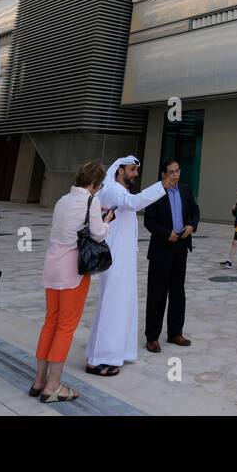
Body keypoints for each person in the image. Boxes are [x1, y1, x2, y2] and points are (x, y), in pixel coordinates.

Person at [31, 160, 112, 403]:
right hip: (73, 271)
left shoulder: (62, 200)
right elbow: (97, 233)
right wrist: (107, 221)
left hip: (52, 266)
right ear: (95, 183)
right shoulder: (91, 201)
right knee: (66, 327)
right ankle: (53, 385)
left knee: (50, 323)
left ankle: (39, 380)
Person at [85, 155, 166, 375]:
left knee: (123, 306)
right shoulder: (113, 190)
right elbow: (134, 203)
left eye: (136, 171)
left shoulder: (120, 191)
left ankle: (118, 352)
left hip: (124, 258)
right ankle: (98, 359)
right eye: (132, 170)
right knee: (112, 306)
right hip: (114, 258)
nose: (135, 174)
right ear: (120, 170)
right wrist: (162, 186)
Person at [142, 159, 199, 352]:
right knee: (157, 293)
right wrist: (166, 233)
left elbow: (194, 210)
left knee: (177, 292)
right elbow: (148, 221)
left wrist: (192, 225)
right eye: (171, 172)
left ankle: (175, 333)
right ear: (163, 174)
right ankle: (152, 337)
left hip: (181, 247)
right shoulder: (156, 192)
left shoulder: (185, 190)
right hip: (161, 248)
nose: (175, 175)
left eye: (177, 171)